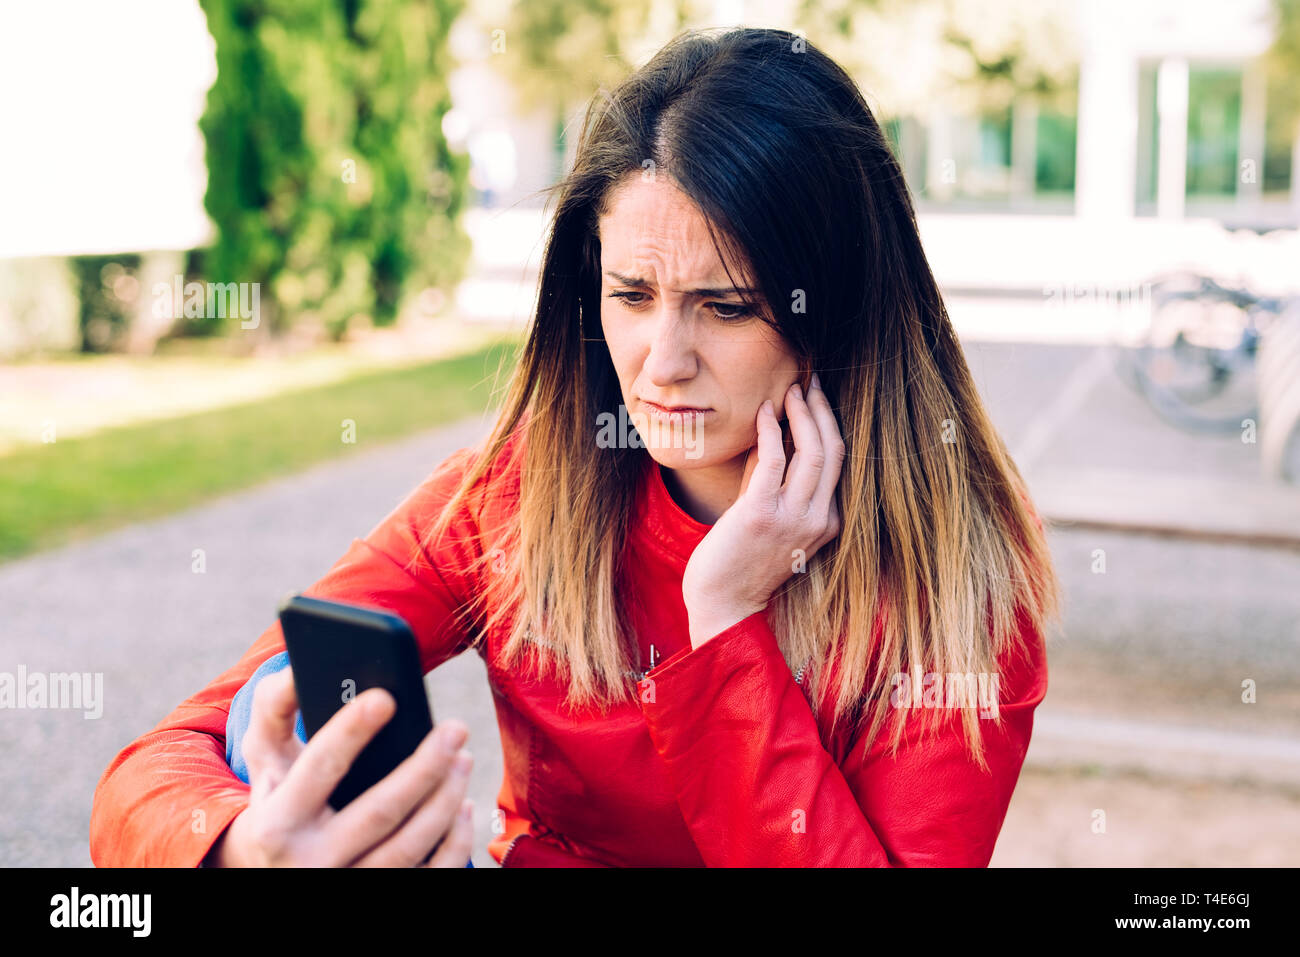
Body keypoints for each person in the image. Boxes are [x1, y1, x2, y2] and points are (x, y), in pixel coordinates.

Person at [90, 25, 1061, 868]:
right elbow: (160, 763)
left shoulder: (955, 585)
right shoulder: (515, 496)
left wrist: (723, 622)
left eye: (725, 308)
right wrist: (243, 848)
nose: (662, 364)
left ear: (838, 312)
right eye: (631, 296)